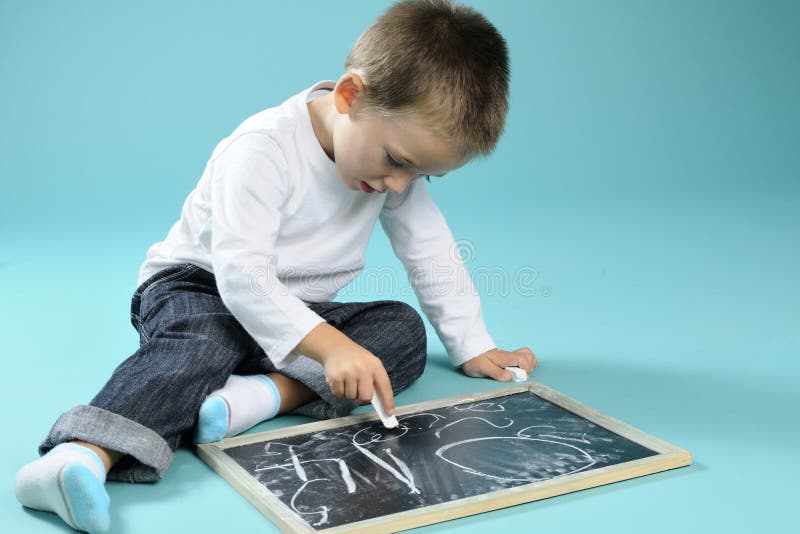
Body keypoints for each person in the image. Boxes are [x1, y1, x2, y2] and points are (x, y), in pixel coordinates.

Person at [15, 1, 538, 532]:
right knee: (199, 345)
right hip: (202, 289)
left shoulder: (392, 170)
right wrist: (330, 347)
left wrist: (471, 343)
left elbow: (430, 247)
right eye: (398, 161)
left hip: (297, 315)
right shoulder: (263, 147)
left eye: (423, 175)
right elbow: (243, 278)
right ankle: (78, 458)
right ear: (350, 97)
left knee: (400, 331)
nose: (400, 185)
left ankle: (254, 397)